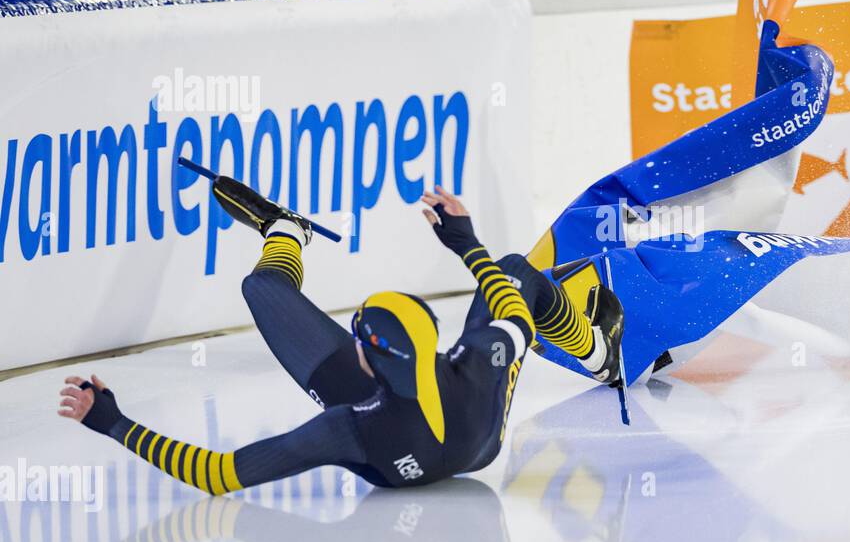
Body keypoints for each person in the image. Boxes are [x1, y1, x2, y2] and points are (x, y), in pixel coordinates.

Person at [58, 180, 625, 494]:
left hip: (400, 431)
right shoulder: (480, 360)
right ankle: (600, 355)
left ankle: (286, 236)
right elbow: (509, 299)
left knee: (262, 289)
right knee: (519, 274)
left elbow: (218, 473)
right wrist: (465, 242)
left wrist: (109, 421)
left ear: (367, 360)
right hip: (476, 432)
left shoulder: (348, 427)